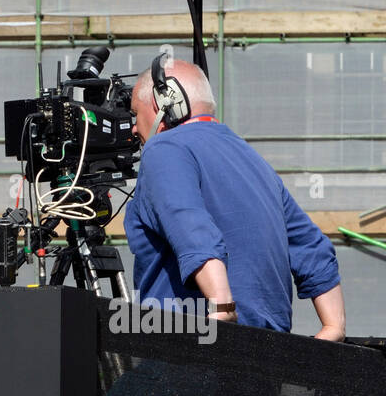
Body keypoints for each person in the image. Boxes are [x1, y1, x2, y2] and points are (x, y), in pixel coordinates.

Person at [125, 54, 345, 341]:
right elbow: (312, 248)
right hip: (267, 360)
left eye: (135, 114)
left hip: (188, 353)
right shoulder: (255, 162)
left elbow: (190, 226)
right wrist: (333, 327)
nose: (133, 128)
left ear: (166, 102)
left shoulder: (164, 149)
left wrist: (222, 306)